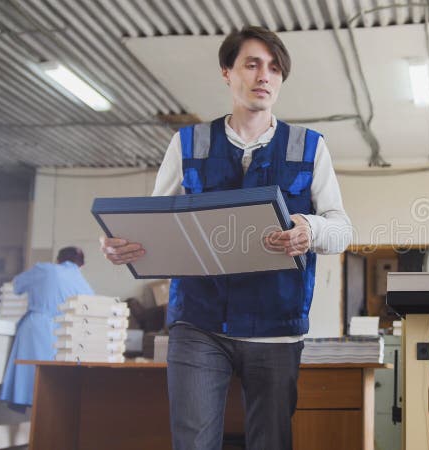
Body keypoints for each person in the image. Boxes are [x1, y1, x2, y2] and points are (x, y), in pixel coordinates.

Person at [100, 26, 352, 450]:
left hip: (276, 327)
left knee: (270, 442)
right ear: (226, 72)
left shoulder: (309, 147)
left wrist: (310, 230)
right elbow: (155, 222)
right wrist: (125, 245)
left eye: (274, 68)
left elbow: (342, 229)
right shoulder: (188, 143)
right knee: (193, 442)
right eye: (251, 64)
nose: (264, 76)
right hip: (198, 323)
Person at [0, 246, 93, 410]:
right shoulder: (85, 285)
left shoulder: (45, 269)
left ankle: (29, 412)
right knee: (55, 387)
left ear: (58, 260)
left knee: (31, 380)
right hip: (68, 336)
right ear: (82, 266)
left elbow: (17, 286)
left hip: (38, 328)